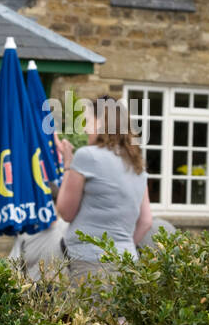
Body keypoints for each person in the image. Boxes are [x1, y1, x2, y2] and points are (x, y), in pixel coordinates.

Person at [55, 96, 153, 284]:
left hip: (90, 263)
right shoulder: (136, 164)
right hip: (127, 263)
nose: (85, 128)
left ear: (101, 123)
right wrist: (122, 247)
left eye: (88, 121)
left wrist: (68, 164)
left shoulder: (87, 156)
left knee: (89, 314)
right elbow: (146, 221)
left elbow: (66, 212)